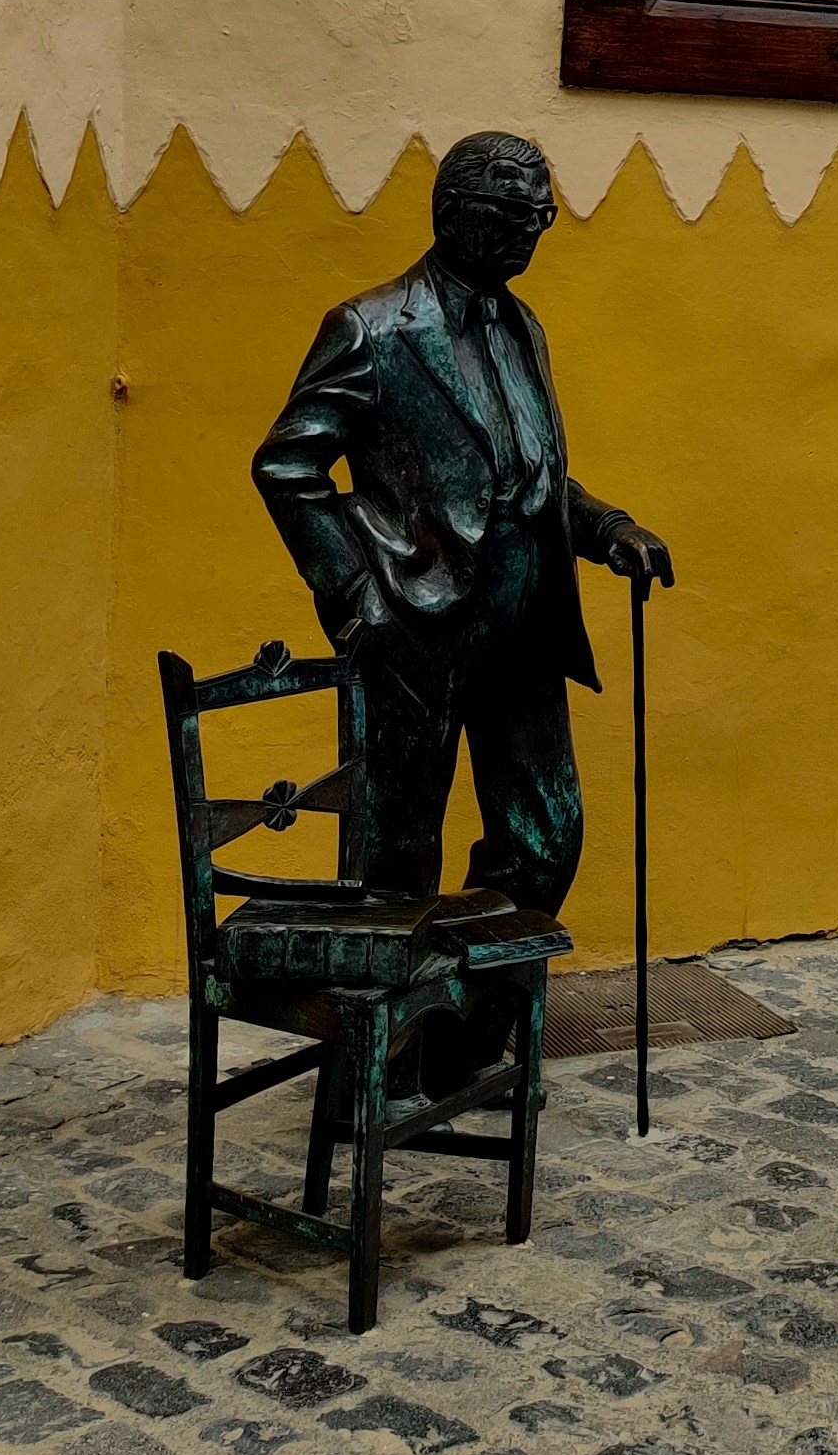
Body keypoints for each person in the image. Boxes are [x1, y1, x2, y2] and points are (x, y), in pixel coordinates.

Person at [251, 129, 673, 918]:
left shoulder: (524, 327)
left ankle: (468, 1018)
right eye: (513, 212)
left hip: (526, 621)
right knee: (399, 849)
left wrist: (609, 527)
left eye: (541, 215)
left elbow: (529, 472)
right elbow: (286, 464)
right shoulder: (372, 328)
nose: (530, 230)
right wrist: (353, 592)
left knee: (547, 837)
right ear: (452, 211)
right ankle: (394, 1030)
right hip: (415, 625)